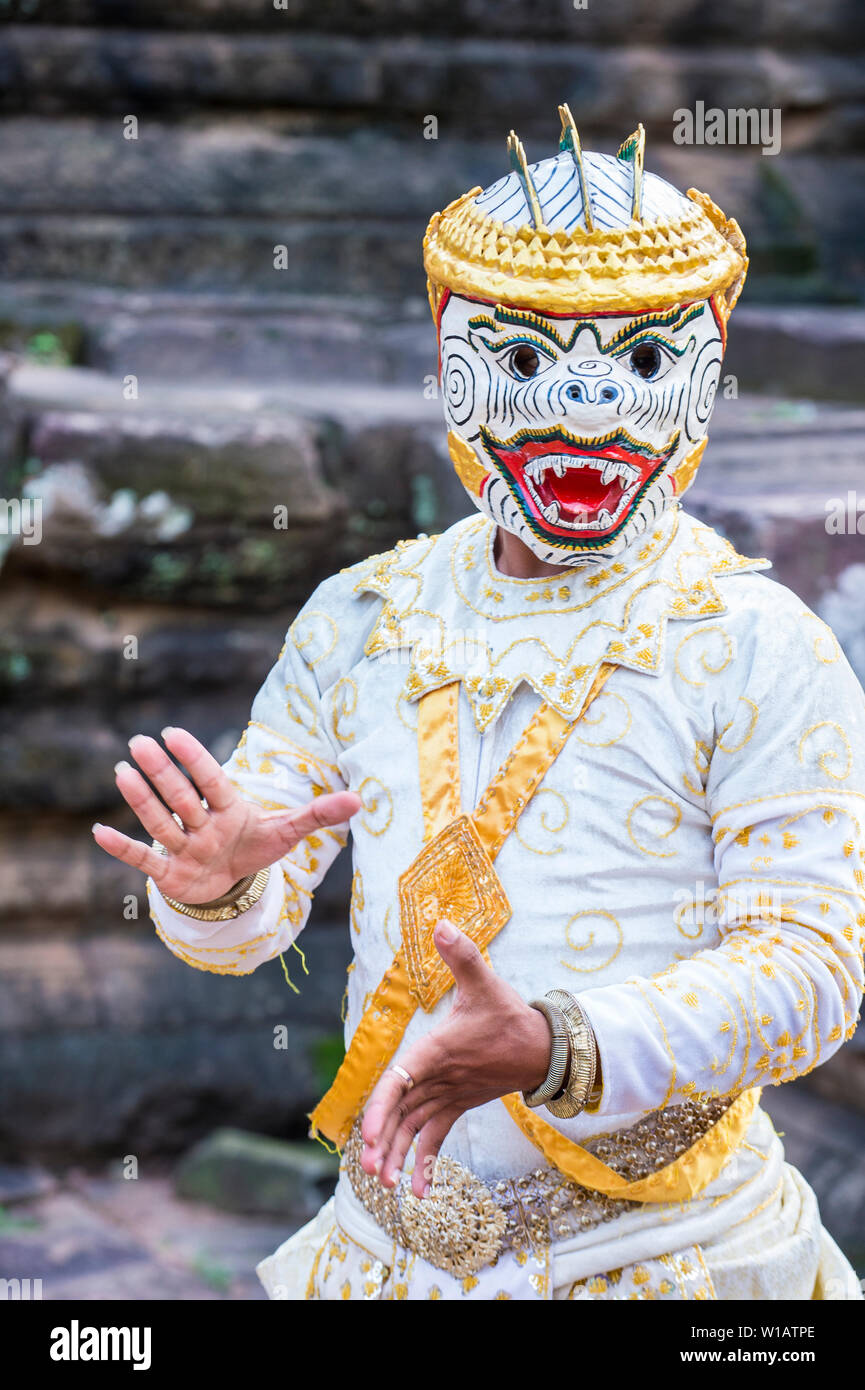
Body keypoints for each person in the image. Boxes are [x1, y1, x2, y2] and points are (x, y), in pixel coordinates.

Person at [93, 108, 865, 1300]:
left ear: (708, 367)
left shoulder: (760, 644)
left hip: (676, 1255)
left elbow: (813, 967)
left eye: (644, 363)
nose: (589, 413)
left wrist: (558, 1043)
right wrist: (220, 885)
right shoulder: (362, 617)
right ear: (451, 355)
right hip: (384, 1248)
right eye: (524, 362)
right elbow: (252, 926)